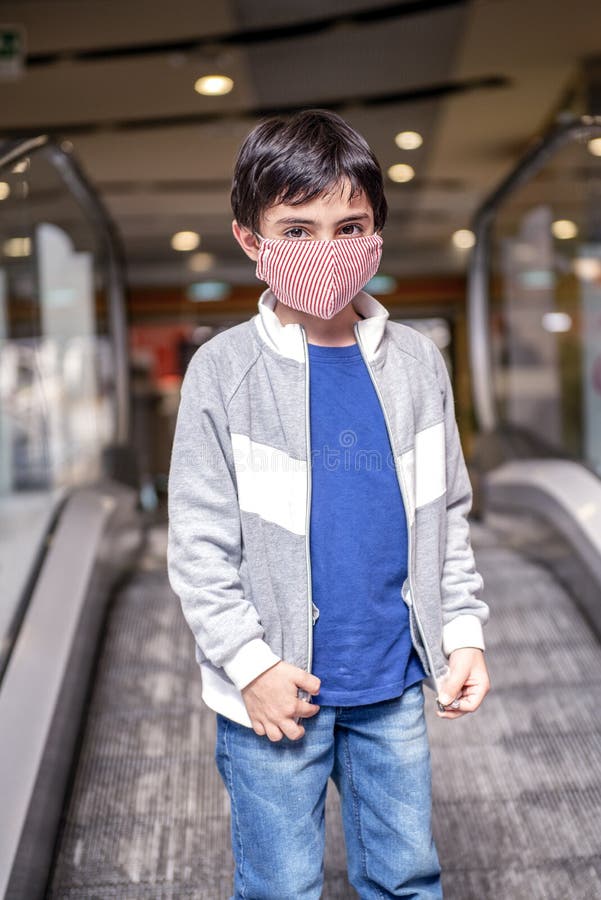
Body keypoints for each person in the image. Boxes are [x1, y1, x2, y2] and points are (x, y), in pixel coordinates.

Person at [167, 108, 490, 899]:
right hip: (277, 697)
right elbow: (198, 545)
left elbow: (445, 512)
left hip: (391, 679)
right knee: (280, 886)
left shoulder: (417, 363)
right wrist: (251, 666)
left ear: (376, 230)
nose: (328, 251)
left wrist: (462, 635)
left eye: (349, 227)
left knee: (406, 878)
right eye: (297, 229)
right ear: (251, 240)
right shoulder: (223, 372)